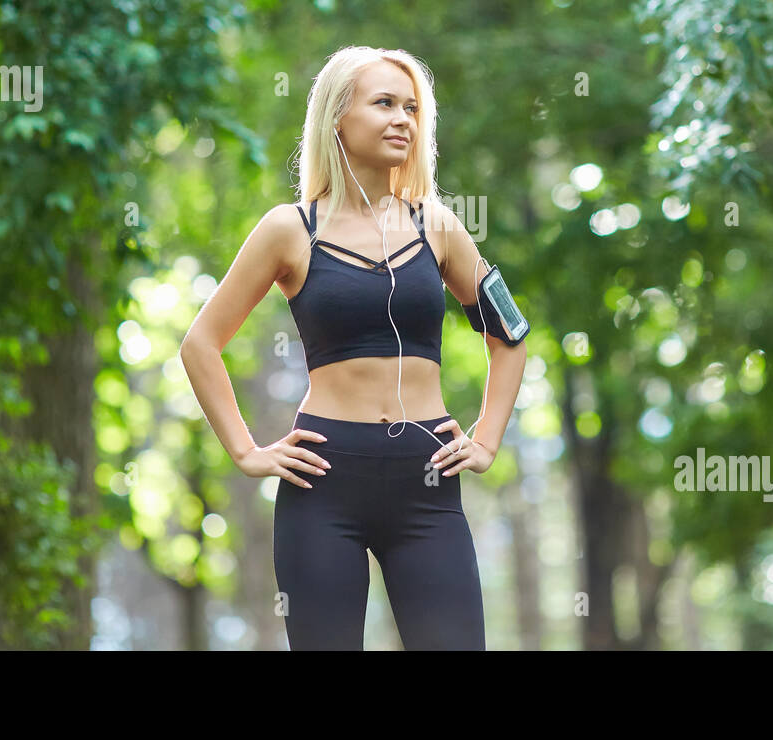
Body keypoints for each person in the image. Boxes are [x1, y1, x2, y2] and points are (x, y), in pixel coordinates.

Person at [180, 45, 529, 650]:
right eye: (384, 103)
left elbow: (510, 337)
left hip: (427, 477)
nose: (403, 120)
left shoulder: (437, 225)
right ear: (338, 117)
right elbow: (200, 344)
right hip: (324, 479)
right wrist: (246, 452)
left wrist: (488, 439)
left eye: (413, 108)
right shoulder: (290, 229)